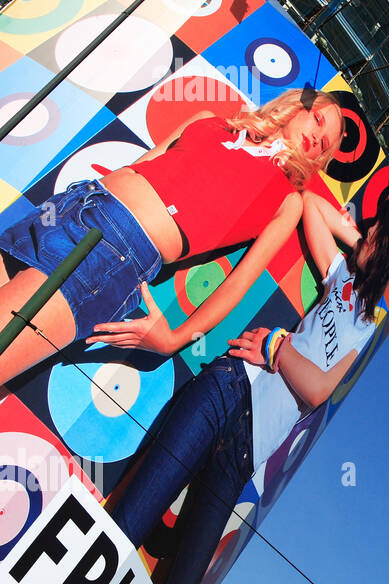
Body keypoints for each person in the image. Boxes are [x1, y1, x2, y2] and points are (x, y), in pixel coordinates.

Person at [108, 191, 389, 584]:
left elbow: (319, 389)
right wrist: (358, 236)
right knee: (128, 522)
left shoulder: (368, 325)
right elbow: (308, 204)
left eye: (377, 233)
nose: (368, 233)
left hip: (245, 453)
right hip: (228, 387)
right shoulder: (339, 274)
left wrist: (277, 347)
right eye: (370, 228)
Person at [0, 87, 343, 387]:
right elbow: (145, 163)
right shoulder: (211, 120)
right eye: (318, 121)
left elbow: (239, 283)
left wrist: (174, 340)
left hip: (112, 253)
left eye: (325, 144)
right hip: (73, 205)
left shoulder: (288, 201)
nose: (317, 138)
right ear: (300, 105)